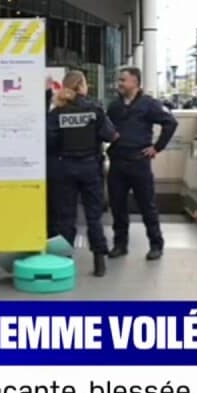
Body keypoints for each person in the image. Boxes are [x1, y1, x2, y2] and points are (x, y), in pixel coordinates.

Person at [47, 71, 118, 276]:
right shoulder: (94, 110)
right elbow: (110, 135)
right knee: (94, 216)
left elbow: (49, 142)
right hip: (90, 168)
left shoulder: (57, 113)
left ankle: (64, 262)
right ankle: (99, 261)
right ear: (81, 86)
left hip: (63, 169)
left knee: (65, 217)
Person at [106, 67, 178, 261]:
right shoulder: (114, 106)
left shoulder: (149, 105)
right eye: (119, 80)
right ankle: (120, 245)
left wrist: (157, 147)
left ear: (135, 83)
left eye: (123, 80)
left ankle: (156, 245)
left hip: (139, 163)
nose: (119, 84)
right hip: (118, 163)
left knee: (147, 206)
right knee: (117, 206)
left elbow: (170, 123)